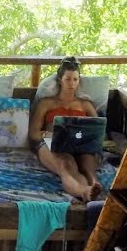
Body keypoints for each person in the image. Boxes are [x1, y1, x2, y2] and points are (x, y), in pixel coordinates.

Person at [30, 57, 102, 201]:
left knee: (88, 164)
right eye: (68, 79)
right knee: (66, 164)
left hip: (80, 145)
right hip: (52, 144)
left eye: (75, 79)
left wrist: (90, 138)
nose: (72, 84)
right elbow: (33, 133)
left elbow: (99, 130)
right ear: (60, 80)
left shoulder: (85, 105)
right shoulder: (47, 103)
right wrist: (51, 134)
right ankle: (84, 191)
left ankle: (94, 184)